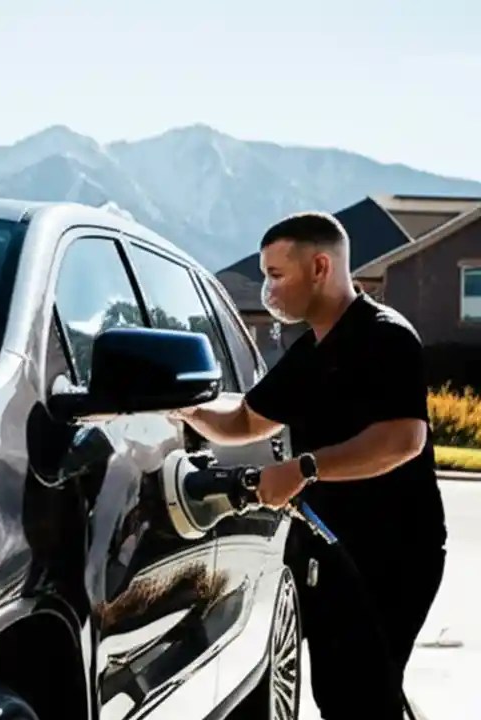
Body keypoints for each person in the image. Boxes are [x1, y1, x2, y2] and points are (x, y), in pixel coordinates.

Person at [172, 211, 447, 719]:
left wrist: (304, 469)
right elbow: (246, 420)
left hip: (392, 554)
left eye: (276, 275)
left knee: (361, 698)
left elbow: (403, 438)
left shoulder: (385, 337)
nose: (267, 291)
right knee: (341, 695)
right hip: (331, 549)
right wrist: (182, 407)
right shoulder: (312, 351)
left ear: (320, 266)